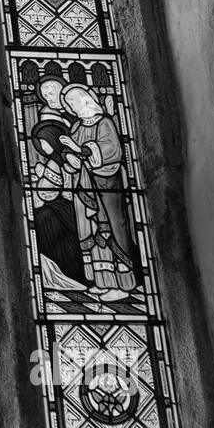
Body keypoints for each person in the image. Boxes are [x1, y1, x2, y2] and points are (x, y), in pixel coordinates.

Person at [60, 84, 137, 300]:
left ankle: (123, 284)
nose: (72, 107)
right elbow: (69, 152)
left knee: (112, 228)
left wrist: (81, 150)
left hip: (107, 183)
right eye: (70, 104)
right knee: (93, 233)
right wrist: (70, 156)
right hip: (85, 185)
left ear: (86, 100)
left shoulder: (105, 123)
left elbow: (112, 149)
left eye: (74, 101)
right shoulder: (77, 127)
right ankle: (102, 281)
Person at [29, 78, 87, 290]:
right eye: (46, 94)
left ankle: (66, 271)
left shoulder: (80, 123)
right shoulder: (48, 117)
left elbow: (49, 194)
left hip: (70, 206)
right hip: (64, 204)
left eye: (53, 92)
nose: (50, 98)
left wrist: (44, 174)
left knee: (42, 218)